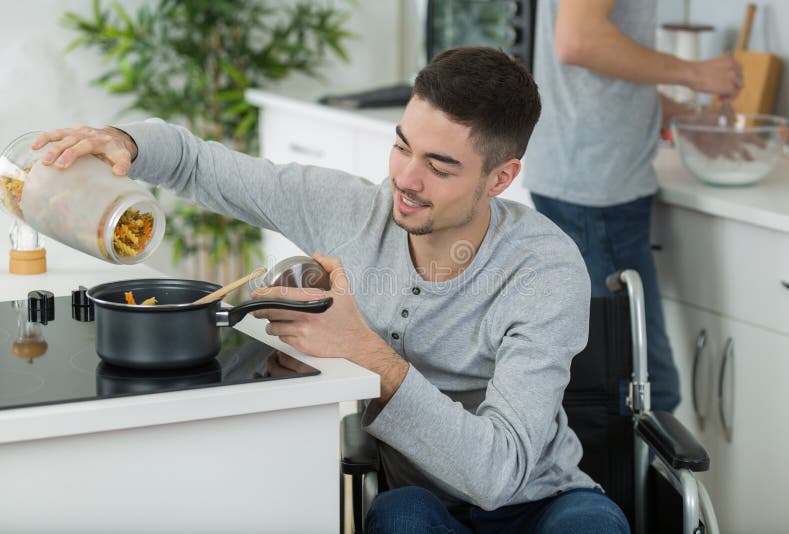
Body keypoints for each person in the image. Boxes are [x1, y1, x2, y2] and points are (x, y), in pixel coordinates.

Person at [34, 47, 629, 533]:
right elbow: (199, 165)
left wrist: (365, 352)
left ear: (501, 178)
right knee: (399, 517)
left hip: (545, 502)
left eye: (440, 167)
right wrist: (125, 142)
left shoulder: (543, 269)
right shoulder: (350, 210)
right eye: (402, 146)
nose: (406, 179)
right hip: (419, 503)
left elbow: (500, 476)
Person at [525, 0, 743, 413]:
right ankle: (614, 481)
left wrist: (685, 118)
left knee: (603, 378)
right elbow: (579, 41)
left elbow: (595, 78)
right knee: (644, 392)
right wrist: (696, 73)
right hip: (598, 191)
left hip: (584, 179)